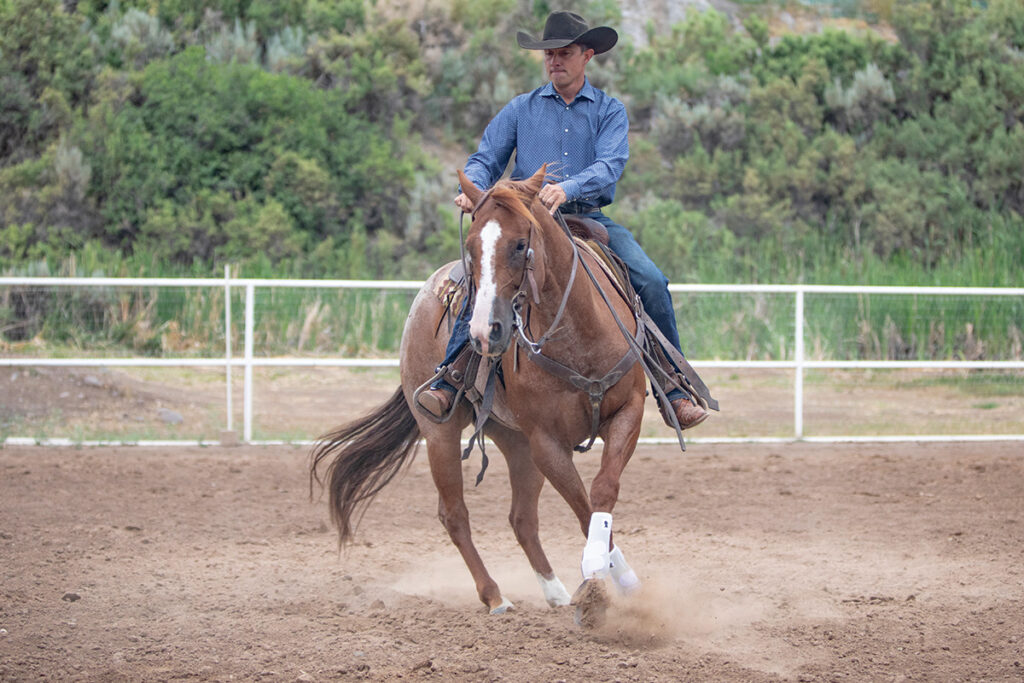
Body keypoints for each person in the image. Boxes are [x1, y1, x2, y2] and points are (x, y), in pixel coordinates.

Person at [417, 10, 708, 430]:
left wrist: (568, 188)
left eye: (565, 53)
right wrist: (475, 190)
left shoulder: (609, 111)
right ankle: (452, 375)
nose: (555, 61)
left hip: (589, 219)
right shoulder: (521, 109)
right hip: (527, 224)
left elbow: (610, 165)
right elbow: (485, 159)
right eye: (549, 54)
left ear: (586, 55)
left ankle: (673, 388)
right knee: (484, 277)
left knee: (651, 280)